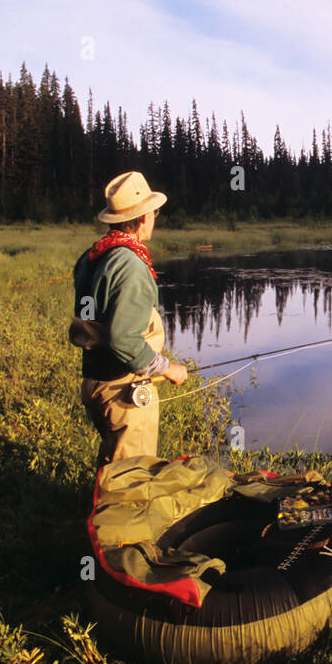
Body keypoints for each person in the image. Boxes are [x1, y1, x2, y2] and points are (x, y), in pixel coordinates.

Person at [71, 171, 188, 468]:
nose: (154, 218)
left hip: (95, 382)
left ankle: (93, 510)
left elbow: (92, 321)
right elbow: (123, 338)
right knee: (130, 479)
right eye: (154, 212)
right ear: (143, 216)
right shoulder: (130, 265)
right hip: (122, 390)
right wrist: (168, 368)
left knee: (113, 466)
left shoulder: (93, 256)